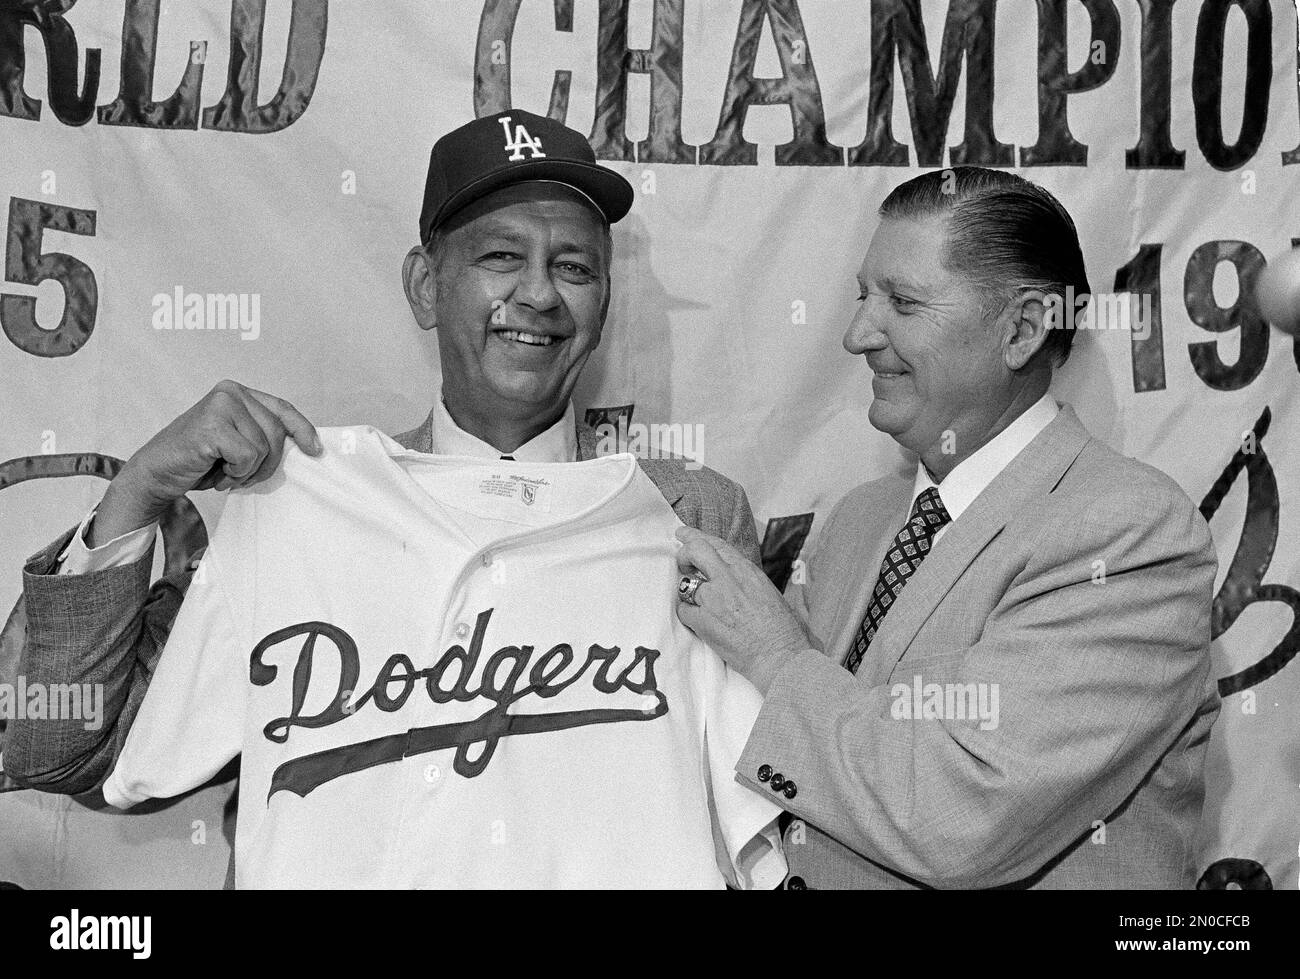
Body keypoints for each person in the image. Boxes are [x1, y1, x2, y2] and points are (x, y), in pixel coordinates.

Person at [1, 111, 772, 886]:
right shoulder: (294, 503)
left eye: (574, 267)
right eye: (502, 256)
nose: (538, 293)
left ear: (605, 304)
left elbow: (775, 799)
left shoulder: (689, 518)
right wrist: (137, 491)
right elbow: (62, 746)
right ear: (425, 285)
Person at [672, 166, 1220, 889]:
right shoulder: (863, 520)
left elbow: (961, 815)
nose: (857, 334)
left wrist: (771, 654)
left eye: (901, 301)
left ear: (1022, 328)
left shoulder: (1129, 535)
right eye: (864, 295)